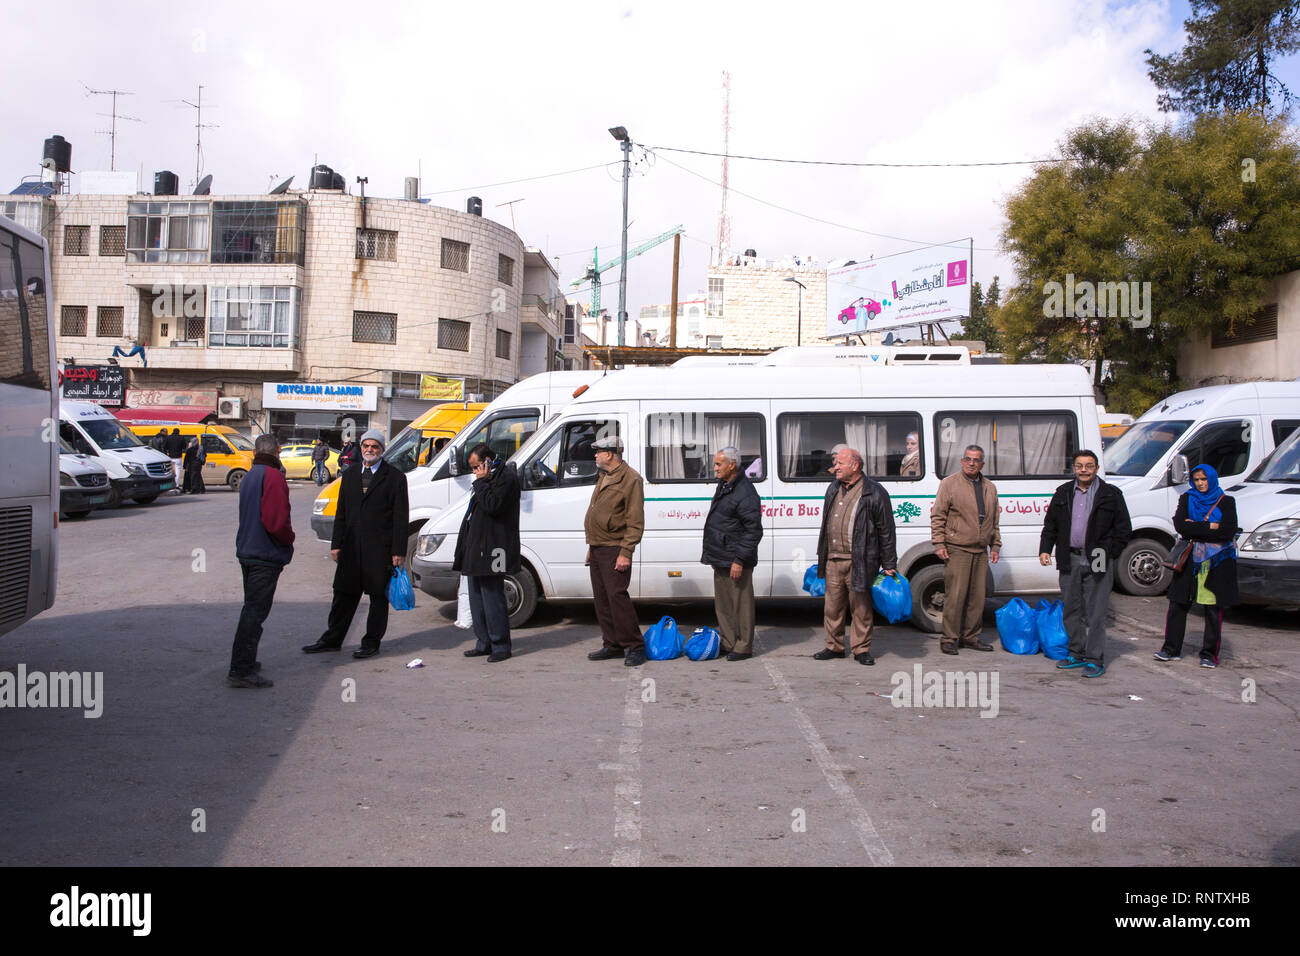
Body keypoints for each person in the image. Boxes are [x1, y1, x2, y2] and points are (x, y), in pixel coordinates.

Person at [302, 429, 409, 659]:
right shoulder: (349, 476)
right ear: (361, 448)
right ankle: (332, 638)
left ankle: (371, 642)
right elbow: (341, 513)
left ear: (381, 450)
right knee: (343, 595)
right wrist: (336, 543)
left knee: (378, 598)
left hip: (379, 550)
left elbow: (401, 517)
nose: (369, 450)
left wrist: (399, 551)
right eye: (366, 446)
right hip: (350, 549)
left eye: (375, 447)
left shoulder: (395, 478)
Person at [1038, 449, 1132, 678]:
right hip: (1068, 557)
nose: (1084, 470)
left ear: (1097, 468)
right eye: (1079, 466)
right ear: (1074, 468)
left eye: (1089, 466)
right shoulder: (1063, 493)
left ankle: (1094, 659)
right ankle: (1076, 653)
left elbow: (1123, 529)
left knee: (1096, 611)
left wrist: (1109, 552)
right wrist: (1044, 549)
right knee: (1071, 608)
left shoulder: (1110, 494)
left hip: (1098, 556)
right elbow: (1050, 524)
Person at [813, 445, 898, 665]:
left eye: (840, 463)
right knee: (832, 607)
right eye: (835, 463)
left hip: (859, 559)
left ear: (855, 465)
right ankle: (834, 646)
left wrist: (889, 562)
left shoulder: (874, 492)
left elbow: (886, 529)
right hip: (833, 559)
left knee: (860, 607)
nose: (835, 467)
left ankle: (861, 649)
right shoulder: (833, 488)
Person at [1154, 464, 1239, 668]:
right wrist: (1211, 526)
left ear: (1212, 479)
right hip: (1189, 558)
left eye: (1204, 479)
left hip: (1216, 561)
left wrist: (1196, 528)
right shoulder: (1187, 498)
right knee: (1178, 603)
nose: (1200, 483)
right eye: (1197, 479)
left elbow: (1228, 531)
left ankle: (1209, 654)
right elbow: (1181, 526)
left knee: (1212, 608)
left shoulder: (1226, 502)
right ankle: (1170, 649)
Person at [228, 434, 294, 688]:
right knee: (254, 613)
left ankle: (245, 662)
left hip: (248, 549)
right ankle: (241, 669)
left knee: (251, 609)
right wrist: (289, 540)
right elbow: (275, 521)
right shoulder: (273, 476)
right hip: (264, 554)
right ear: (277, 451)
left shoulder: (250, 474)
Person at [453, 443, 521, 663]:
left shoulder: (506, 478)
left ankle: (500, 645)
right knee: (477, 597)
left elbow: (493, 505)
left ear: (488, 461)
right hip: (477, 546)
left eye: (477, 466)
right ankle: (484, 642)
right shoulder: (484, 479)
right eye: (472, 468)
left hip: (497, 547)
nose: (475, 472)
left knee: (493, 597)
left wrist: (481, 482)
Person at [931, 444, 1000, 655]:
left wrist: (995, 545)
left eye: (976, 460)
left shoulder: (989, 487)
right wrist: (939, 543)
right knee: (955, 596)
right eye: (968, 459)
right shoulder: (949, 484)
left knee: (977, 598)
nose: (972, 463)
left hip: (980, 550)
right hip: (957, 548)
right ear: (962, 461)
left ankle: (971, 636)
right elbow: (938, 515)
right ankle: (949, 638)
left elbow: (994, 520)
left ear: (982, 463)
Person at [584, 435, 646, 667]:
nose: (595, 455)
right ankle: (612, 644)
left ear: (609, 454)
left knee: (617, 598)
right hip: (599, 546)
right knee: (602, 600)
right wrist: (591, 545)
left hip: (615, 547)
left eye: (598, 451)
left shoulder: (631, 479)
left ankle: (635, 646)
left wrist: (626, 552)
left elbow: (635, 521)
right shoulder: (605, 476)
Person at [701, 446, 764, 661]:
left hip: (736, 559)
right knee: (724, 605)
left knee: (741, 605)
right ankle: (728, 642)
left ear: (732, 465)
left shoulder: (745, 492)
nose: (715, 468)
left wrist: (739, 560)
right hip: (721, 557)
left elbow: (753, 530)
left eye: (718, 464)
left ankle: (743, 646)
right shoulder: (725, 486)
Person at [164, 428, 186, 495]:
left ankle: (170, 485)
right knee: (178, 471)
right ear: (178, 432)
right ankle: (176, 485)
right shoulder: (181, 438)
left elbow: (165, 447)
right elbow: (184, 446)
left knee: (170, 471)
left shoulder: (168, 437)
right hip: (178, 457)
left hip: (170, 457)